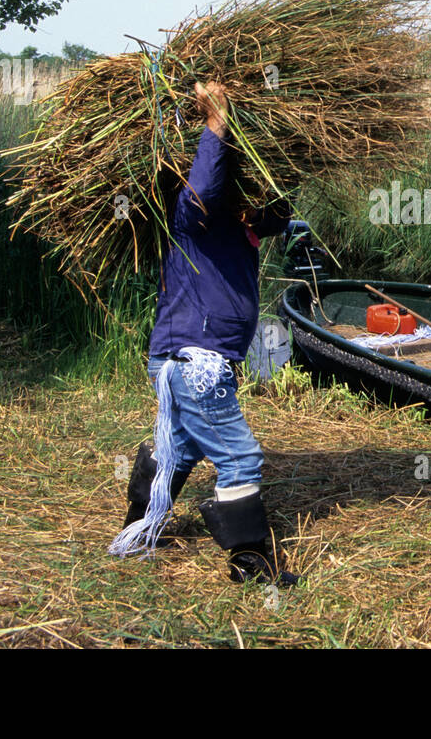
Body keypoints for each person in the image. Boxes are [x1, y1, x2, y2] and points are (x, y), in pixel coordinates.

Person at [109, 79, 298, 587]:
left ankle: (137, 528)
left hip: (191, 360)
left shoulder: (239, 222)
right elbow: (201, 196)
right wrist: (216, 124)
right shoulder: (191, 216)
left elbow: (280, 214)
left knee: (180, 449)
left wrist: (273, 186)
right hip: (196, 361)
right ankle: (250, 564)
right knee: (239, 455)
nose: (252, 209)